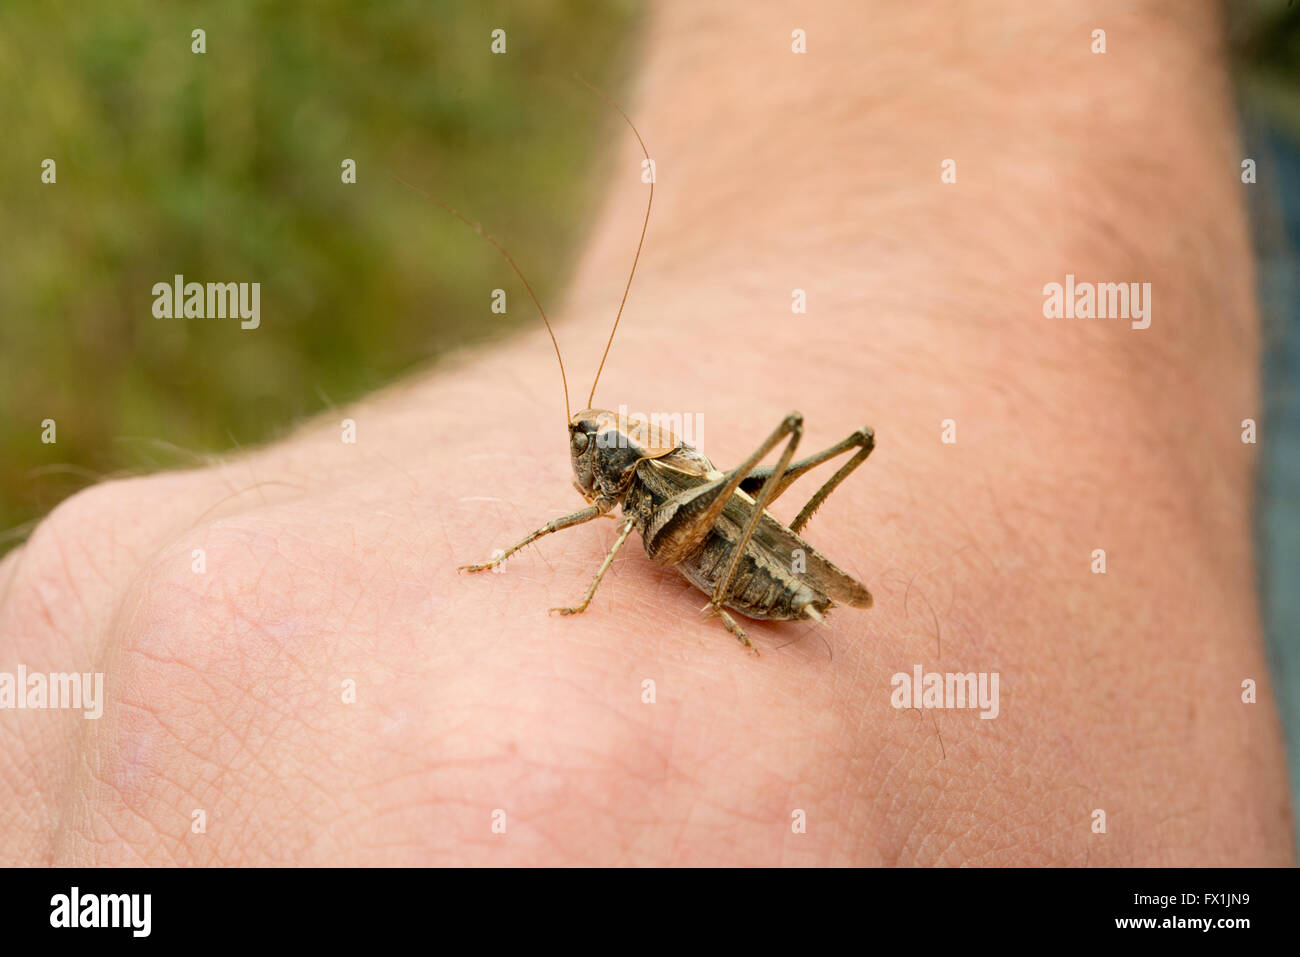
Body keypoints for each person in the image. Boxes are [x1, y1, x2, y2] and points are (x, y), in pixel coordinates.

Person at [0, 0, 1291, 864]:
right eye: (594, 468)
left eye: (594, 466)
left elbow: (623, 522)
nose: (586, 477)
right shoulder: (614, 477)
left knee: (735, 479)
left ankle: (743, 573)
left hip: (743, 559)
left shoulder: (639, 490)